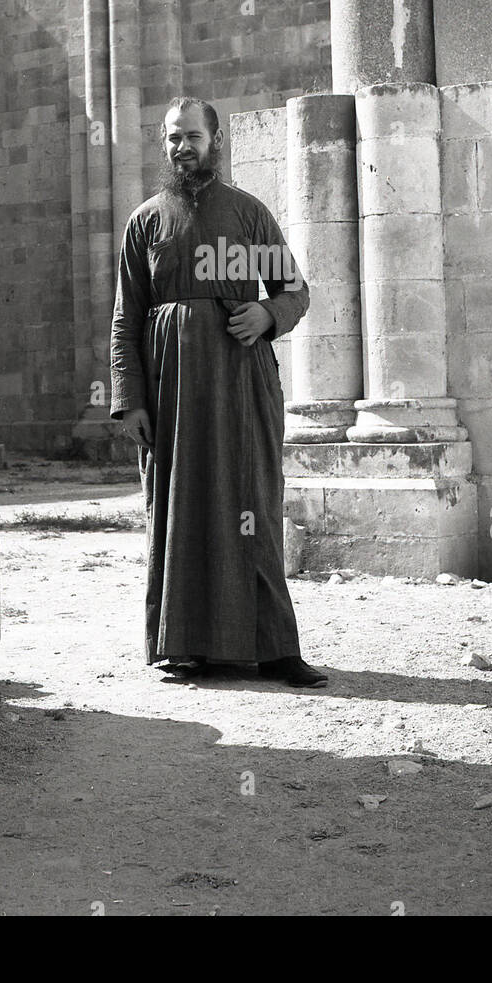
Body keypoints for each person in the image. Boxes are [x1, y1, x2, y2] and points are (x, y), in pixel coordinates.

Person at [109, 96, 327, 687]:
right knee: (180, 509)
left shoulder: (250, 215)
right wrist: (129, 399)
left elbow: (295, 291)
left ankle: (275, 649)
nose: (183, 148)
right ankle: (183, 646)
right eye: (174, 138)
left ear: (216, 141)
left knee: (251, 501)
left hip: (240, 384)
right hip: (172, 389)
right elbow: (127, 316)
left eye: (193, 137)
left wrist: (266, 315)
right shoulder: (145, 221)